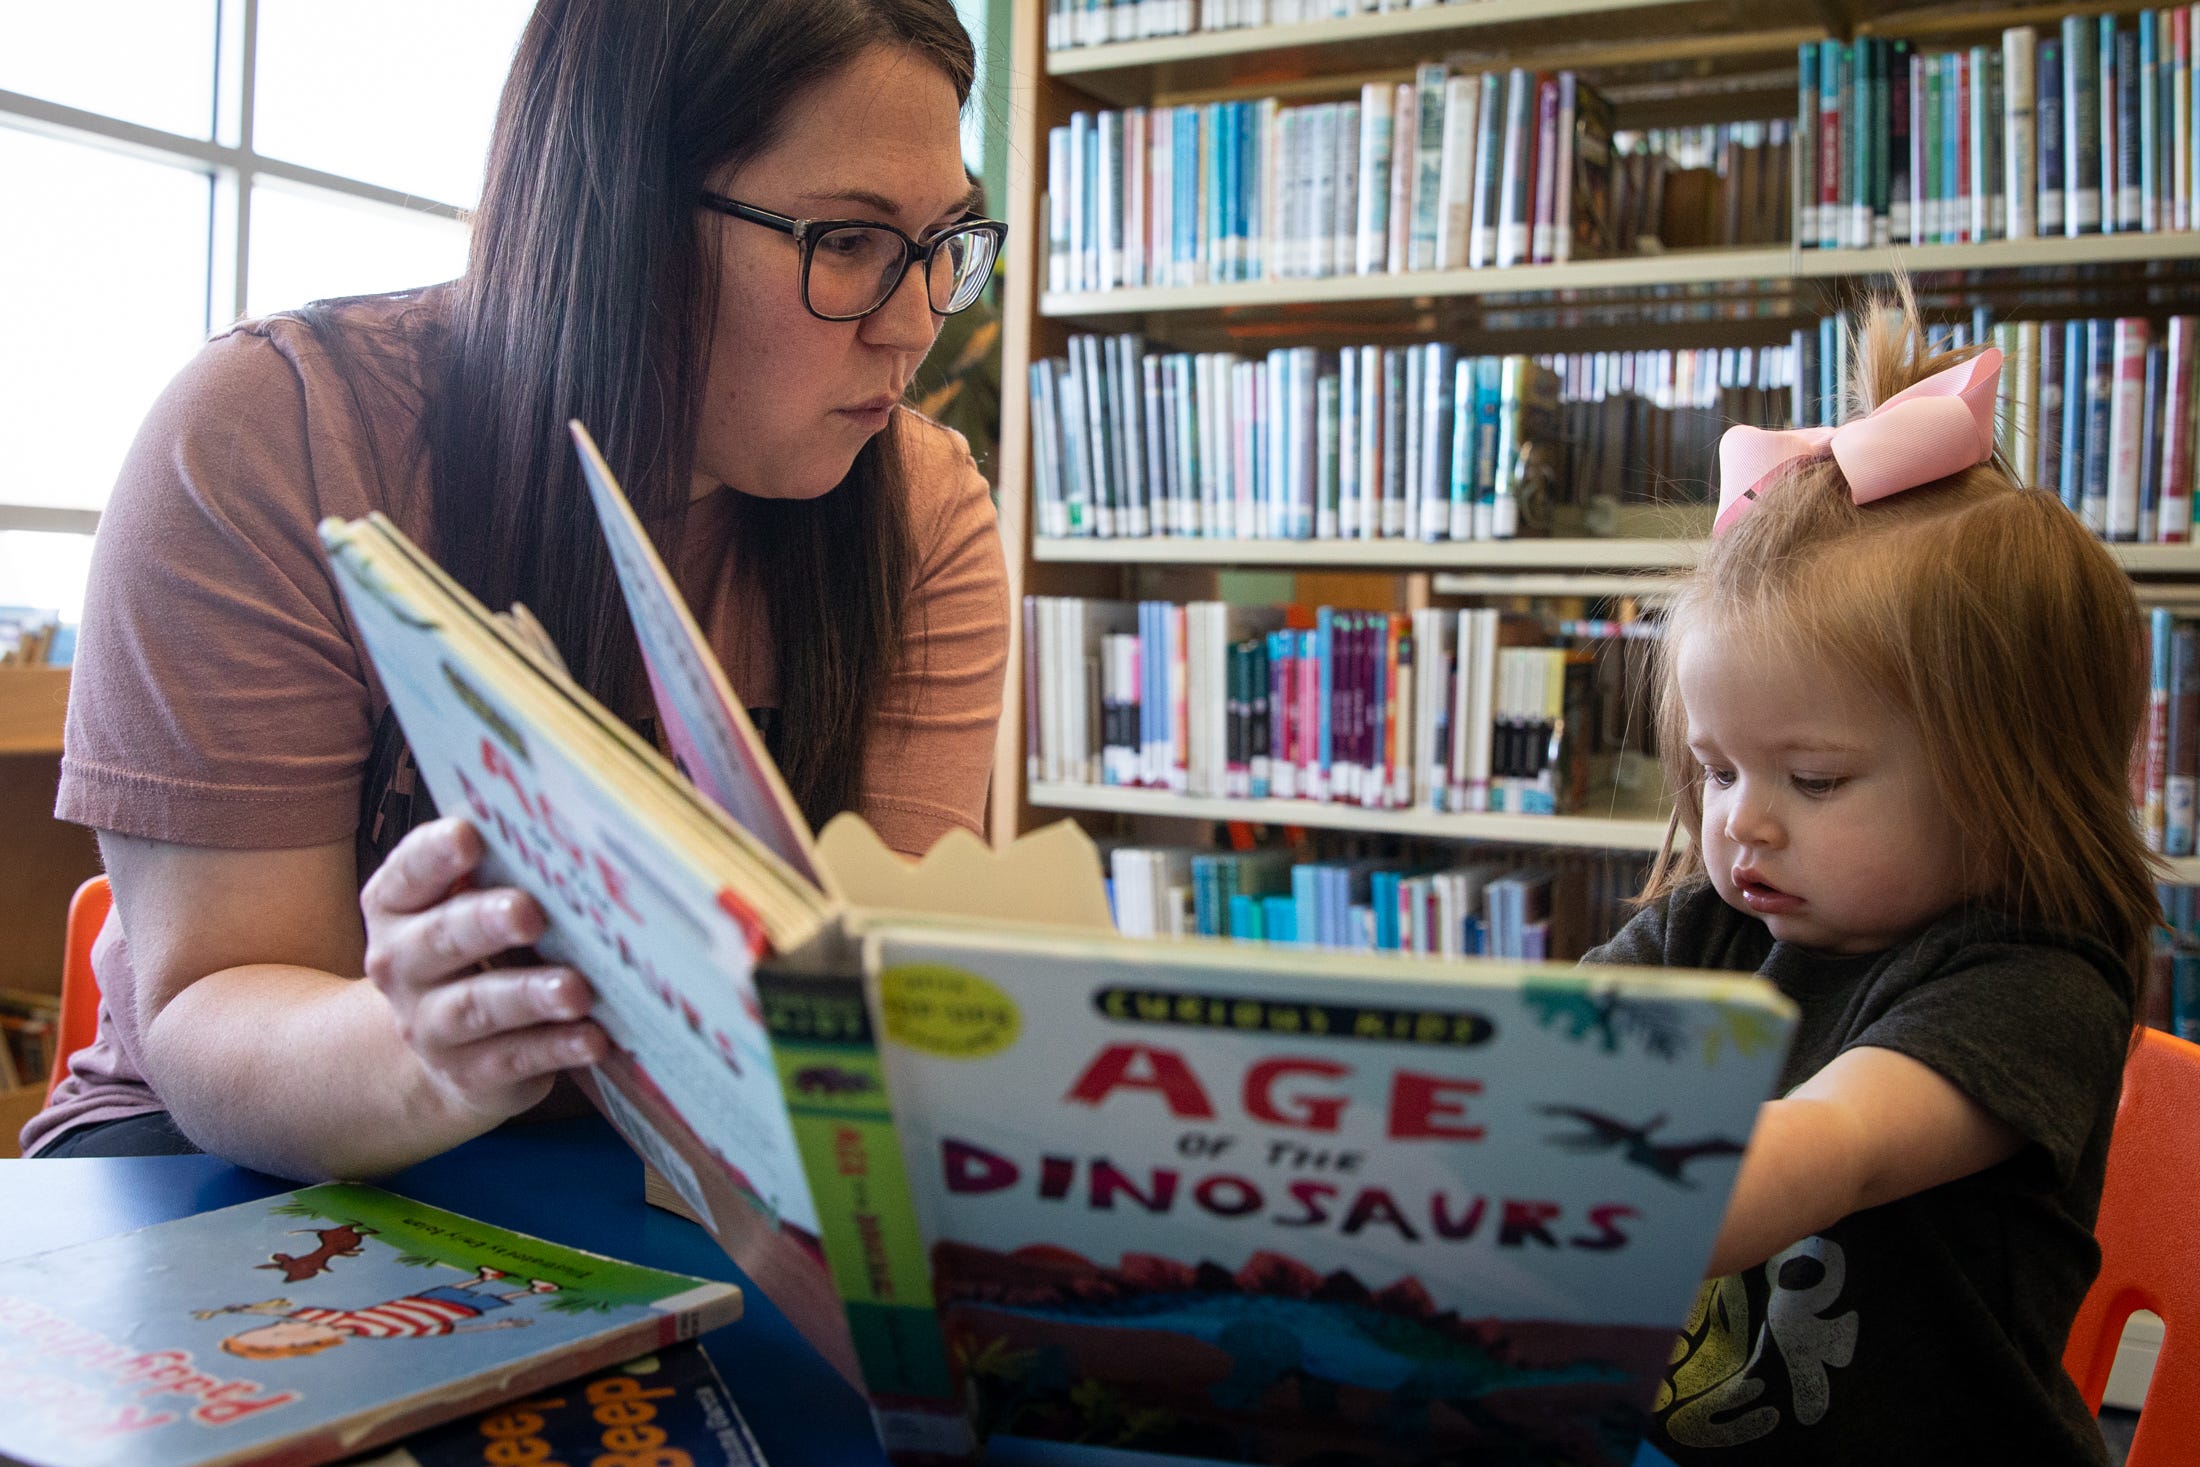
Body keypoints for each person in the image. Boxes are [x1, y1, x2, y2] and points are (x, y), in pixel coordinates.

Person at [25, 0, 1010, 1177]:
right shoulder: (276, 436)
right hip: (231, 1161)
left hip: (684, 1177)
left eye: (945, 239)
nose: (915, 327)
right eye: (847, 241)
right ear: (621, 219)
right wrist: (428, 1049)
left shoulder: (920, 509)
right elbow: (206, 1010)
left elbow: (867, 1021)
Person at [1582, 287, 2155, 1465]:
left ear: (2013, 776)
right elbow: (1546, 1051)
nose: (1744, 824)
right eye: (1717, 768)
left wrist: (1561, 1194)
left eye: (1817, 781)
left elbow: (1830, 1145)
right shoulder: (1704, 933)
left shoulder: (2030, 988)